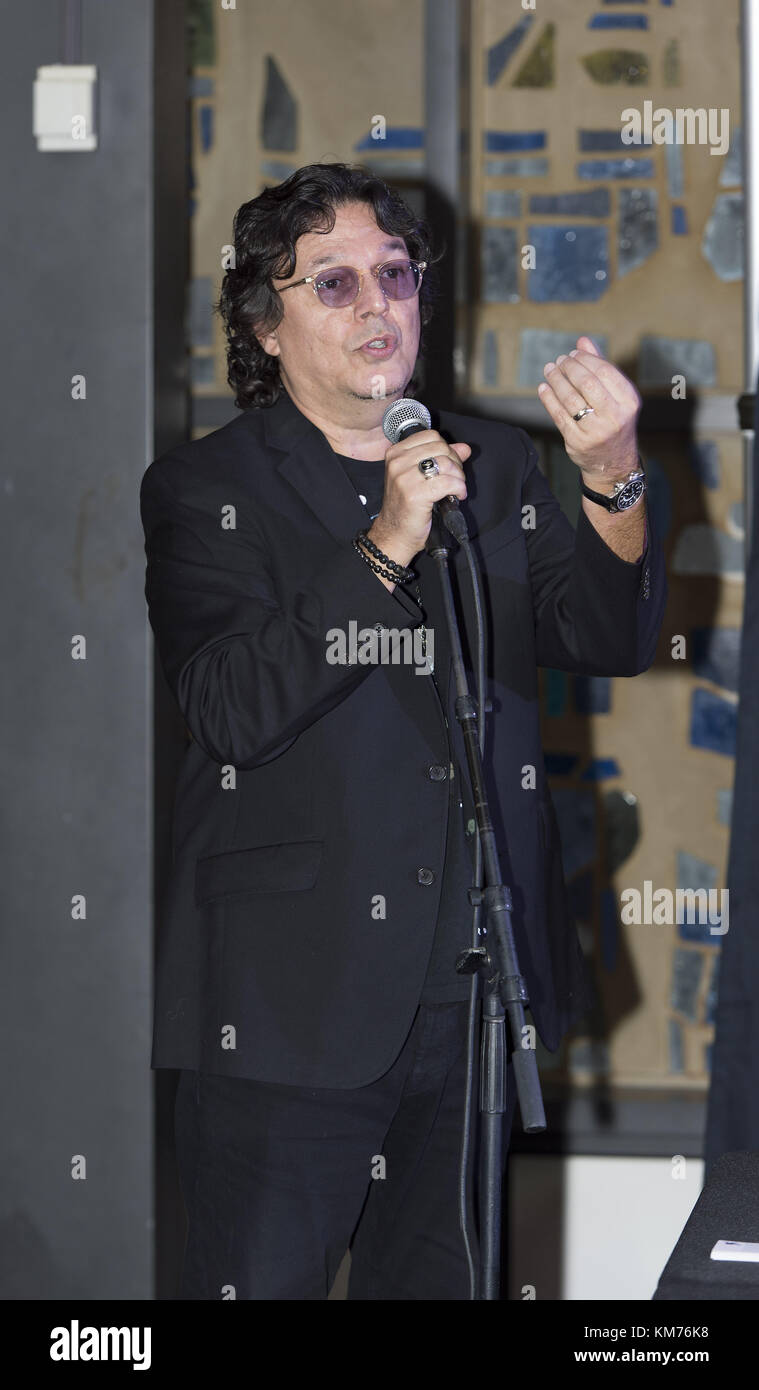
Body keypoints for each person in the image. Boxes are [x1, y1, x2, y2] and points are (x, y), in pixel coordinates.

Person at [140, 162, 666, 1300]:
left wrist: (614, 479)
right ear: (263, 327)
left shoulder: (497, 463)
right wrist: (384, 542)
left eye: (395, 273)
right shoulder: (205, 489)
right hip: (289, 1011)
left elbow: (608, 633)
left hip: (476, 993)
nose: (380, 304)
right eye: (333, 284)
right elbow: (231, 709)